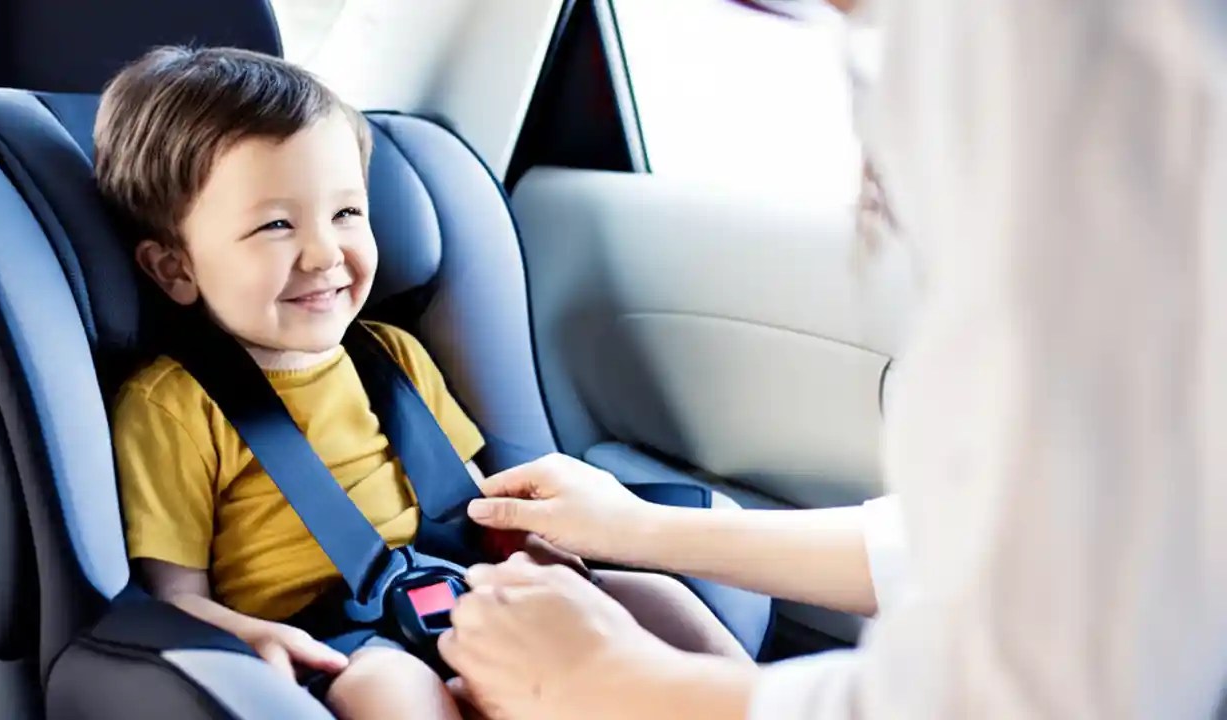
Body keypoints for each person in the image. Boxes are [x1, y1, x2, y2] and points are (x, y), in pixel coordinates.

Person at [438, 0, 1227, 717]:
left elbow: (1039, 688)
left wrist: (607, 680)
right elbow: (989, 545)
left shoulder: (1099, 64)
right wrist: (639, 527)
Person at [97, 46, 745, 720]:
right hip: (338, 641)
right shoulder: (171, 408)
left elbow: (472, 505)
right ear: (175, 269)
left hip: (466, 584)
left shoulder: (394, 356)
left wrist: (545, 562)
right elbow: (172, 598)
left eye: (346, 213)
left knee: (658, 601)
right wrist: (252, 635)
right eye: (277, 224)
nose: (325, 253)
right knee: (399, 693)